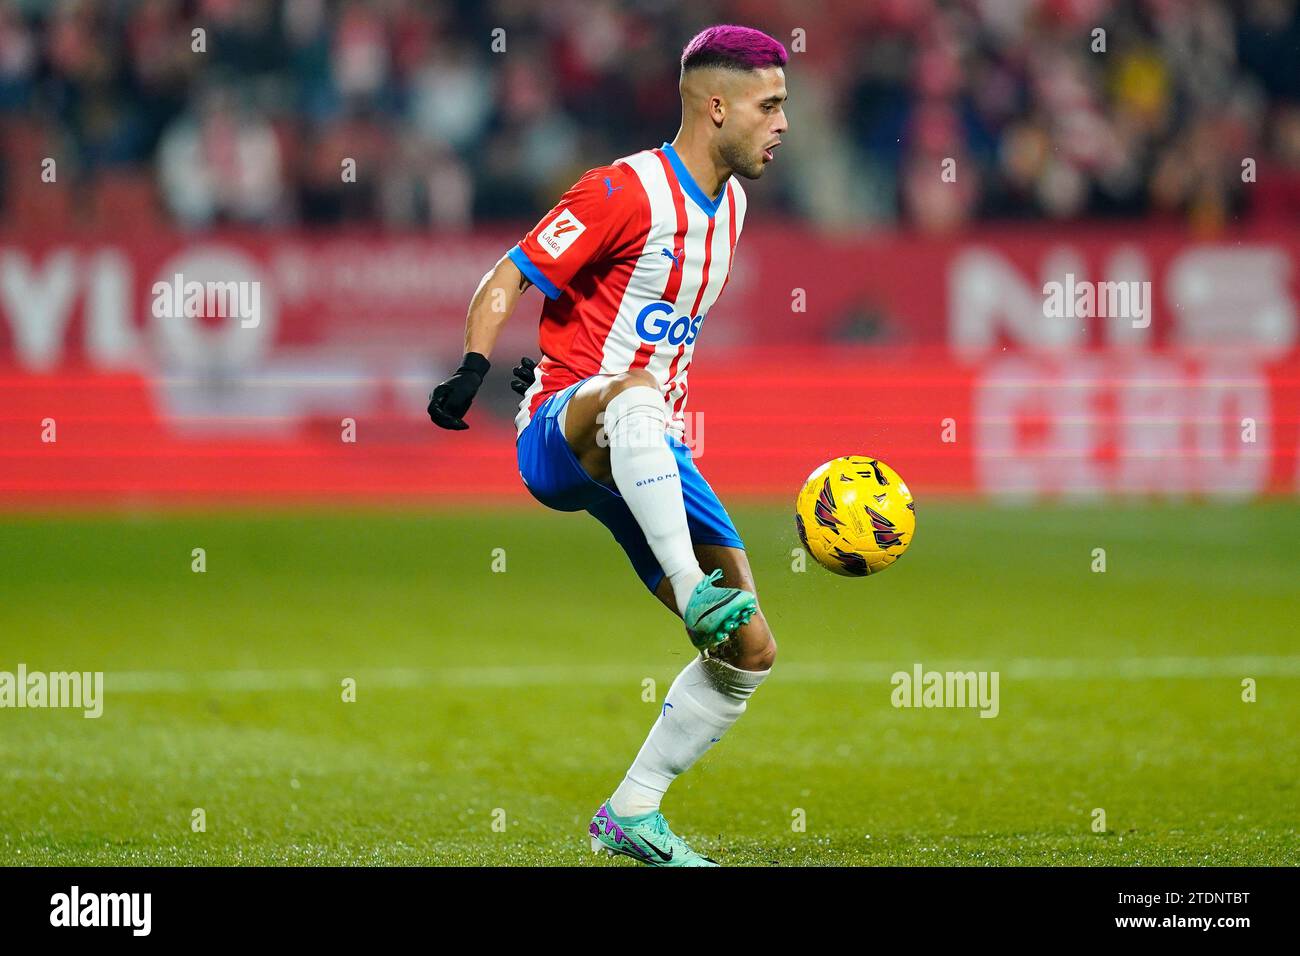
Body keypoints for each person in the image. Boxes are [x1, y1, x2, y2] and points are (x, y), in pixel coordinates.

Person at [428, 24, 789, 866]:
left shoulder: (733, 205)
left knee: (751, 650)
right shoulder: (624, 190)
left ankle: (634, 810)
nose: (781, 125)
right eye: (769, 106)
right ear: (716, 105)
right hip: (568, 429)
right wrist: (475, 367)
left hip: (652, 445)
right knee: (632, 393)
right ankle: (694, 585)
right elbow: (511, 273)